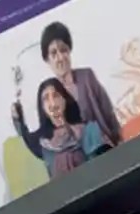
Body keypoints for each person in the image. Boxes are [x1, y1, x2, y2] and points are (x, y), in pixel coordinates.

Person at [12, 21, 122, 157]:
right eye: (53, 53)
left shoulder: (86, 77)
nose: (60, 57)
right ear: (47, 59)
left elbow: (108, 113)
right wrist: (18, 119)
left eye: (63, 50)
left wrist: (119, 143)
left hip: (106, 149)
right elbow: (37, 139)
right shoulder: (52, 93)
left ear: (69, 50)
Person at [20, 77, 111, 179]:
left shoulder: (88, 130)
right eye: (46, 99)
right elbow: (27, 138)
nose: (52, 103)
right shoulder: (46, 145)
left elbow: (105, 167)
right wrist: (19, 120)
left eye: (55, 96)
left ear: (65, 99)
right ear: (42, 108)